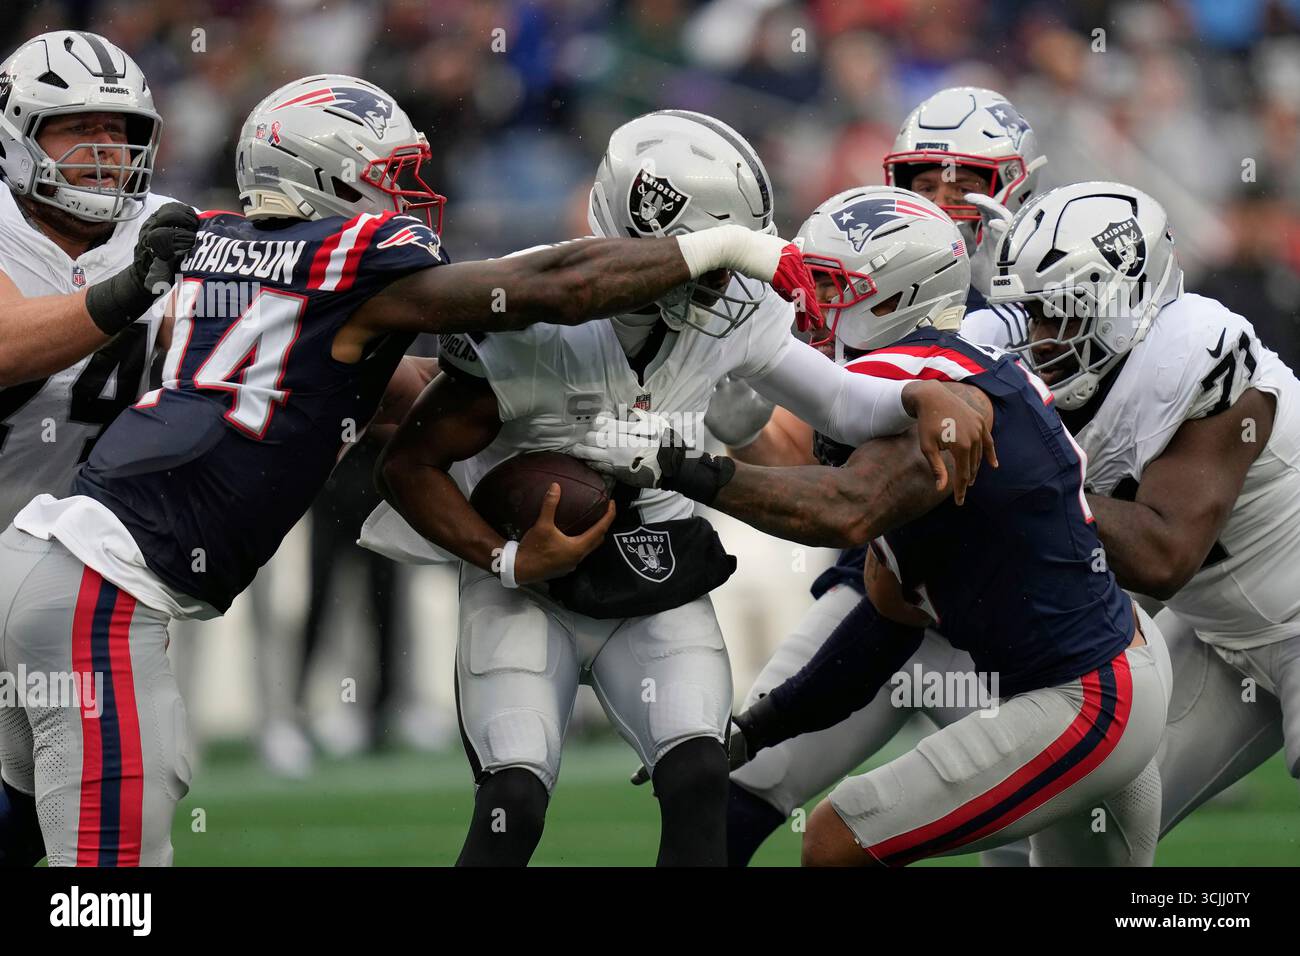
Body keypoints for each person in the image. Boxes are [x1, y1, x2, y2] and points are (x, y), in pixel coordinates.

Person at [0, 77, 827, 867]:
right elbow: (558, 289)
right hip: (102, 587)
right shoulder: (349, 259)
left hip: (41, 559)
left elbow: (399, 392)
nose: (410, 199)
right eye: (390, 179)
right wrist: (722, 243)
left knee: (22, 816)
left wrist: (554, 410)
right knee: (114, 873)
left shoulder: (227, 247)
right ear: (326, 178)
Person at [370, 112, 996, 867]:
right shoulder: (531, 310)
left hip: (655, 567)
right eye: (714, 255)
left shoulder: (735, 309)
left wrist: (916, 397)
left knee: (701, 775)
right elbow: (408, 465)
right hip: (523, 586)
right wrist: (505, 560)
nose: (734, 283)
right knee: (515, 801)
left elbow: (836, 400)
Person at [573, 224, 1172, 864]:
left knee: (835, 839)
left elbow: (846, 509)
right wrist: (755, 732)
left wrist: (677, 465)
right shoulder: (913, 385)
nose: (806, 304)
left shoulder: (932, 386)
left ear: (893, 297)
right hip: (1094, 676)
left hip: (1088, 695)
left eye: (828, 285)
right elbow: (884, 630)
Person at [990, 181, 1300, 841]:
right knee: (1083, 814)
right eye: (1033, 314)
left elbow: (1162, 555)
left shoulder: (1199, 350)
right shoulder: (1081, 372)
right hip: (1220, 635)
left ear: (1128, 301)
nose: (1042, 338)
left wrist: (1021, 483)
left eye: (1062, 312)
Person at [0, 30, 196, 868]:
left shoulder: (166, 230)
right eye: (75, 126)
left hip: (85, 580)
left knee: (126, 786)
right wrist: (130, 291)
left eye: (121, 131)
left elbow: (281, 348)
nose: (104, 150)